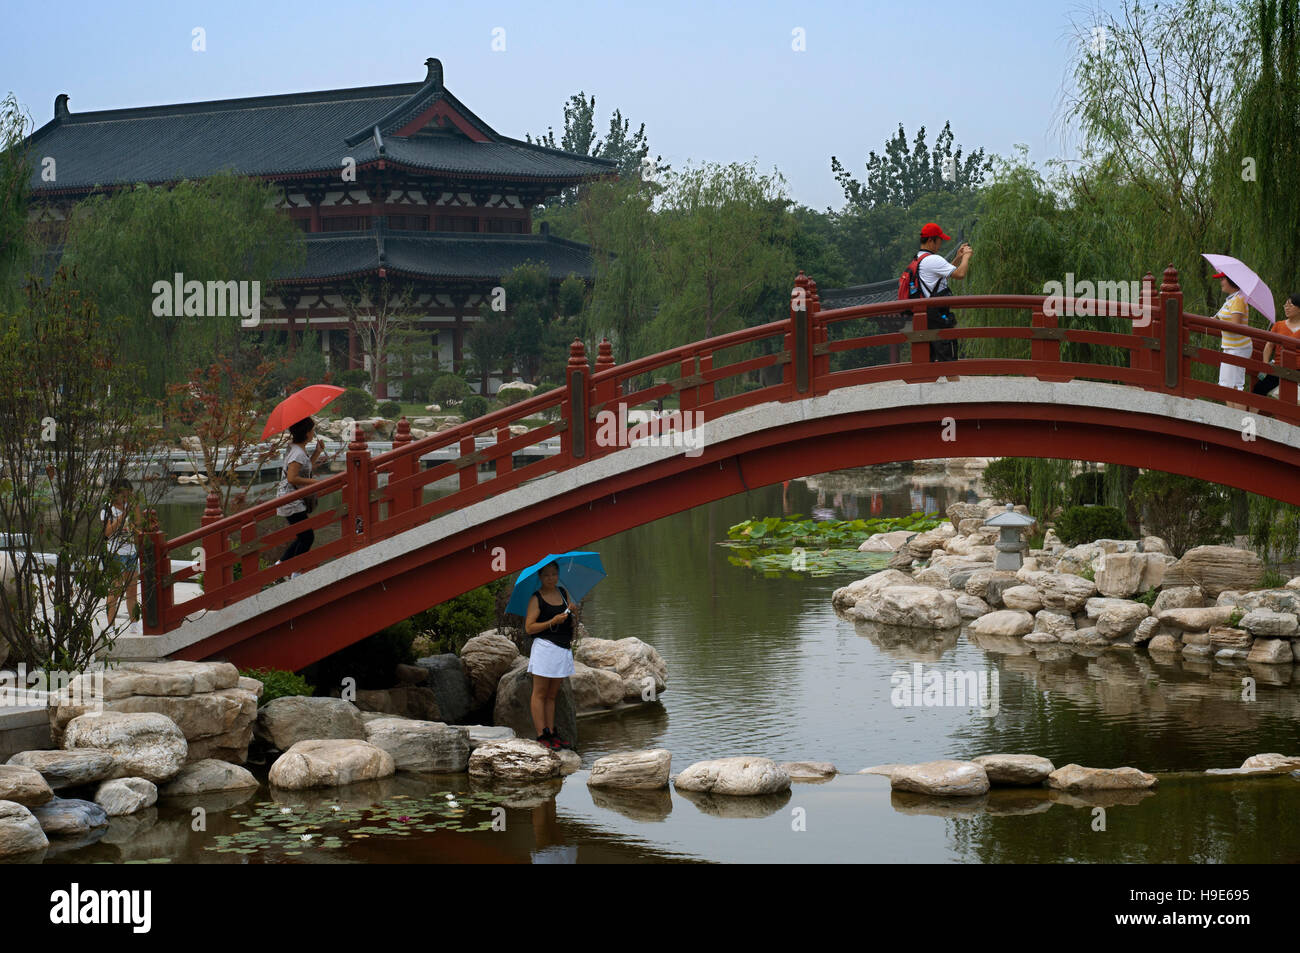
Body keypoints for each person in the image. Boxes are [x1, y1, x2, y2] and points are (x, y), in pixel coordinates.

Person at [522, 561, 579, 750]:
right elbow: (530, 628)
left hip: (562, 648)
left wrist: (571, 612)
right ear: (540, 577)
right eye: (546, 575)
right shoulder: (536, 598)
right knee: (539, 693)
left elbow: (566, 622)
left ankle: (552, 732)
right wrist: (551, 621)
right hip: (545, 647)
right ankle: (541, 734)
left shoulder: (563, 593)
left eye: (554, 574)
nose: (551, 578)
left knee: (552, 695)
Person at [913, 222, 973, 378]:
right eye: (939, 240)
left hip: (925, 318)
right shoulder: (933, 259)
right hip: (938, 318)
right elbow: (959, 274)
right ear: (932, 240)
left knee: (930, 365)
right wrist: (966, 257)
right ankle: (958, 399)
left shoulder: (919, 259)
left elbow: (940, 276)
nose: (941, 244)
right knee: (949, 363)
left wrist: (958, 258)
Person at [275, 417, 326, 577]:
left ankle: (281, 565)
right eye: (312, 430)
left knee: (302, 536)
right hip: (291, 500)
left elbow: (304, 468)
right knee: (307, 536)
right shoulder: (297, 452)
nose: (313, 433)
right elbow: (292, 477)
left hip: (291, 497)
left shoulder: (296, 448)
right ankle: (295, 572)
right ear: (306, 433)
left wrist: (317, 452)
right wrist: (315, 482)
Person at [102, 479, 141, 635]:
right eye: (124, 493)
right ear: (116, 493)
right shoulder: (107, 510)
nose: (126, 496)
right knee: (115, 591)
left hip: (131, 552)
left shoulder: (130, 507)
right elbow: (107, 532)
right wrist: (123, 515)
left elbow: (138, 523)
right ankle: (110, 626)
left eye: (129, 493)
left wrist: (134, 507)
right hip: (116, 554)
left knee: (132, 591)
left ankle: (134, 624)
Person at [1212, 271, 1253, 411]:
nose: (1221, 282)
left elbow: (1235, 326)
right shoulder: (1230, 300)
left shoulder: (1238, 300)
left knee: (1236, 385)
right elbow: (1216, 319)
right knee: (1226, 384)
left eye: (1223, 279)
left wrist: (1217, 323)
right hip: (1230, 347)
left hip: (1239, 347)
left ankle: (1238, 418)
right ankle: (1233, 417)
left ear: (1231, 281)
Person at [1252, 292, 1300, 398]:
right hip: (1279, 367)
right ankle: (1251, 414)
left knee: (1291, 396)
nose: (1286, 308)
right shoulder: (1279, 325)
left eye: (1290, 305)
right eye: (1285, 305)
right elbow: (1269, 346)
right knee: (1258, 389)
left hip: (1297, 369)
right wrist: (1265, 365)